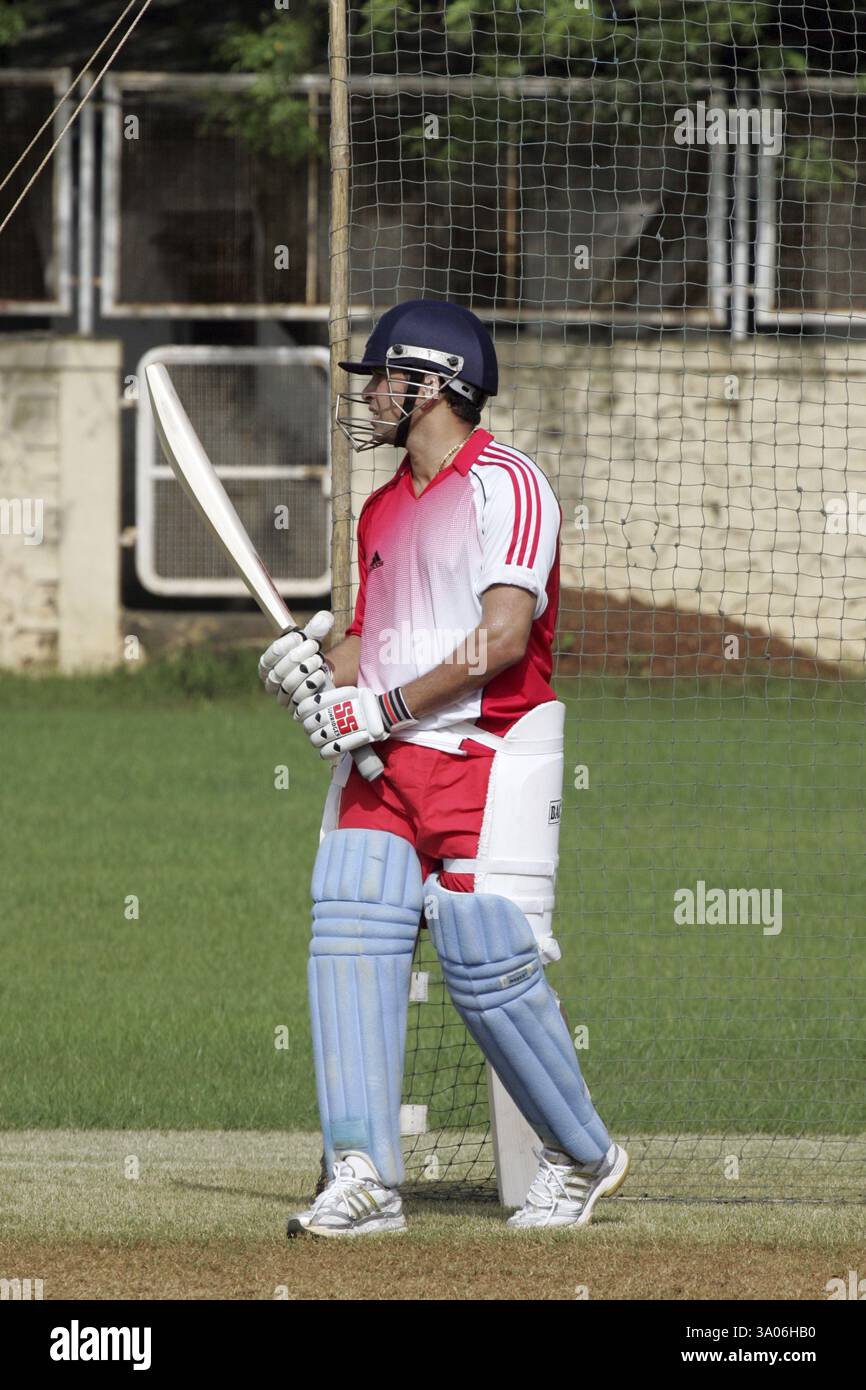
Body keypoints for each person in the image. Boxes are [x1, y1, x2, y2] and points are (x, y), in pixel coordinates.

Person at [259, 299, 628, 1235]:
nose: (372, 396)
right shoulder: (382, 507)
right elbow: (378, 646)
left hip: (487, 755)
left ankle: (585, 1156)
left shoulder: (510, 485)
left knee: (484, 961)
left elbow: (502, 639)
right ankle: (366, 1178)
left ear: (432, 383)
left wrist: (377, 705)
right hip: (386, 768)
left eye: (385, 377)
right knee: (348, 930)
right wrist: (317, 670)